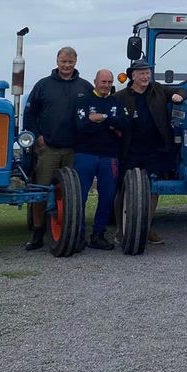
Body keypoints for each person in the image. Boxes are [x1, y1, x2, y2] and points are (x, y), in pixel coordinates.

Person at [22, 46, 91, 251]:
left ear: (75, 62)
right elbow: (29, 114)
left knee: (72, 194)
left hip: (74, 149)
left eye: (70, 62)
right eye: (63, 61)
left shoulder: (85, 87)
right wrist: (37, 137)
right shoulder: (43, 85)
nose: (67, 65)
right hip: (48, 148)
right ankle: (37, 233)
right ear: (57, 61)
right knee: (41, 190)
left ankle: (73, 233)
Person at [115, 58, 184, 246]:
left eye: (148, 73)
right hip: (131, 150)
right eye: (142, 73)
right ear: (133, 76)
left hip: (155, 150)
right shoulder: (121, 97)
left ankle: (145, 227)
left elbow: (181, 90)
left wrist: (179, 96)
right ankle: (122, 231)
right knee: (124, 189)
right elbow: (112, 117)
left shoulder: (159, 90)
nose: (146, 77)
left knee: (153, 189)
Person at [73, 69, 122, 251]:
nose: (106, 86)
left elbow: (124, 124)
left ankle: (98, 235)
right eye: (103, 82)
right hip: (86, 154)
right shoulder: (83, 100)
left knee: (107, 196)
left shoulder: (116, 101)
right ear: (95, 81)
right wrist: (111, 125)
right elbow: (82, 126)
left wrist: (102, 118)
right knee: (80, 196)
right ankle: (78, 234)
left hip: (109, 156)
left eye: (109, 82)